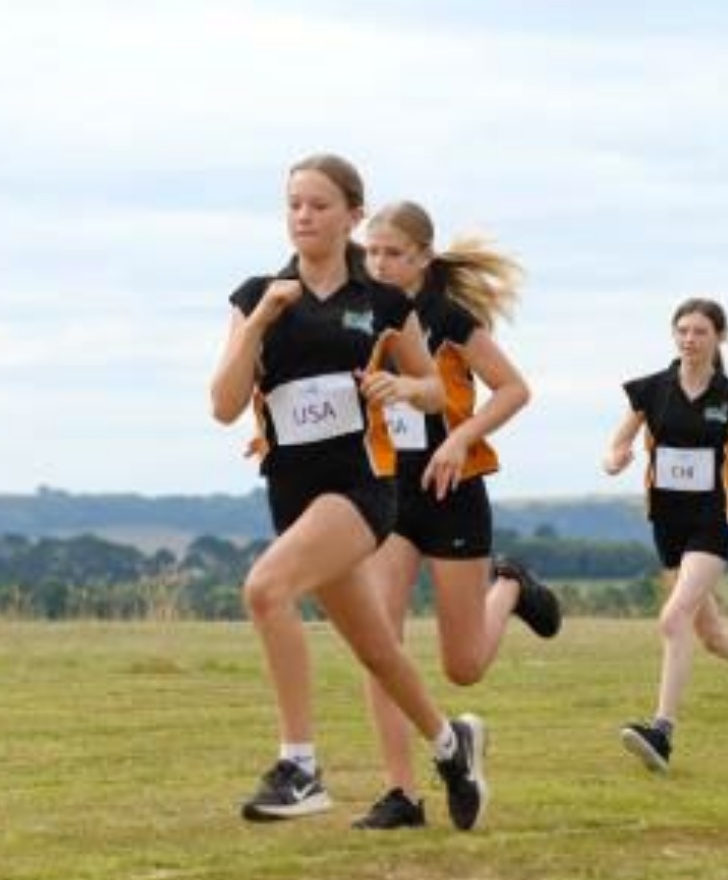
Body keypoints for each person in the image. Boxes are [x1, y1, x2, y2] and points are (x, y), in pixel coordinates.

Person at [209, 153, 489, 831]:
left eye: (318, 205)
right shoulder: (256, 295)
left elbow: (431, 386)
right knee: (376, 648)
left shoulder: (383, 302)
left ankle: (300, 766)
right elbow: (223, 404)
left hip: (361, 490)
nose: (303, 216)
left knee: (265, 590)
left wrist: (401, 387)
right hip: (292, 495)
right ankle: (452, 746)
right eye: (294, 205)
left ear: (352, 217)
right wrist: (258, 323)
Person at [351, 201, 561, 830]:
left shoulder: (447, 319)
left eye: (391, 252)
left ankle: (511, 585)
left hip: (451, 492)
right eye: (371, 251)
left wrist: (459, 437)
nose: (378, 262)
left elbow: (515, 389)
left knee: (462, 666)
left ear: (421, 257)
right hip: (388, 494)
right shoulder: (358, 315)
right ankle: (402, 794)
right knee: (377, 643)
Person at [603, 297, 728, 773]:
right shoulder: (652, 389)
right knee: (713, 635)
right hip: (668, 523)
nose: (689, 340)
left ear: (718, 337)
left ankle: (662, 733)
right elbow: (619, 441)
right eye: (682, 331)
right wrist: (614, 459)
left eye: (699, 331)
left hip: (715, 520)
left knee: (674, 619)